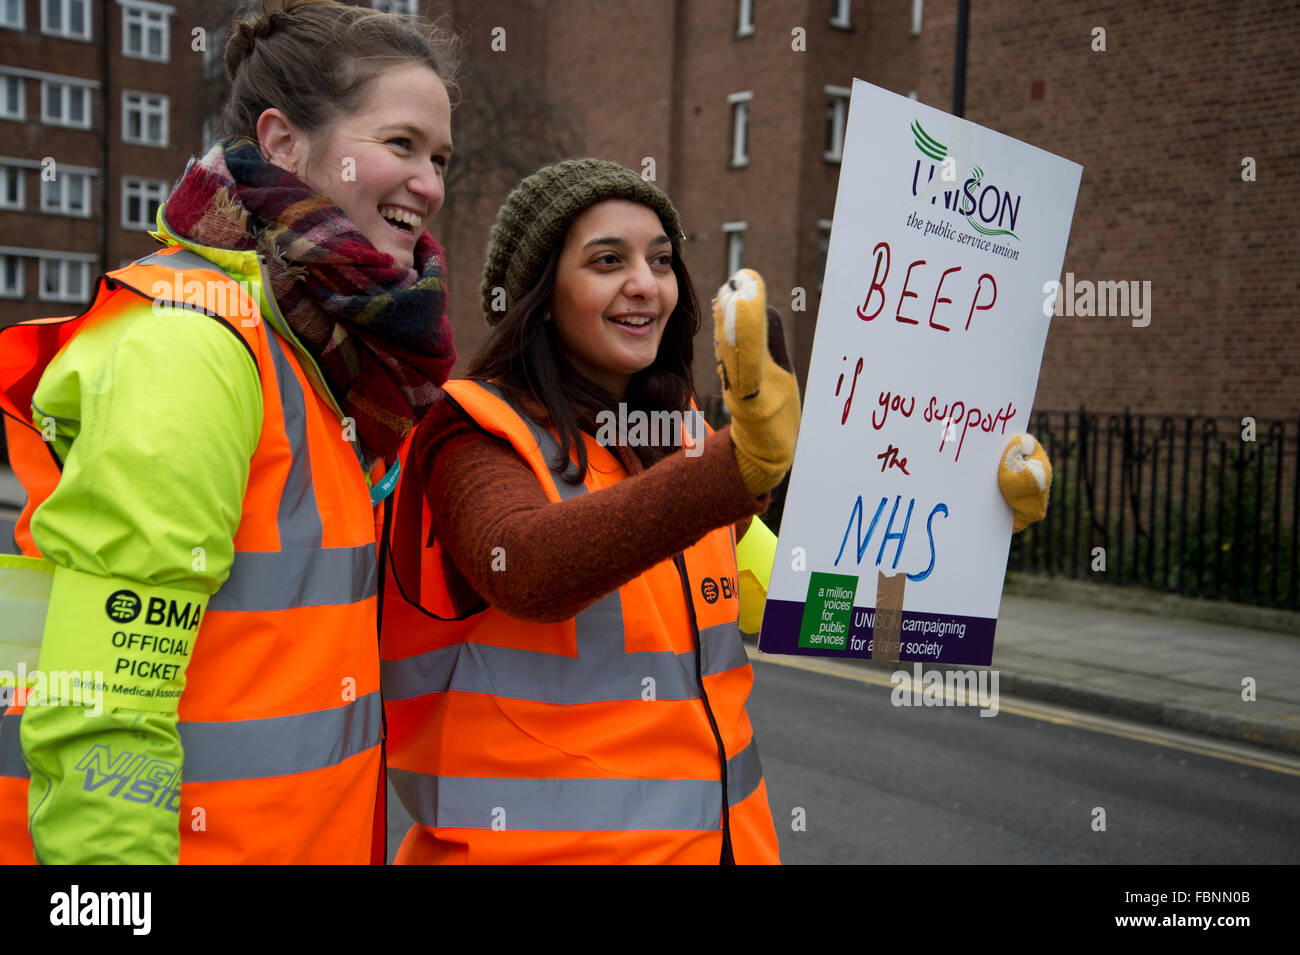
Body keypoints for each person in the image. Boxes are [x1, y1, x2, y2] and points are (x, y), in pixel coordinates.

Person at [379, 159, 1055, 865]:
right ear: (542, 295)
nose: (646, 283)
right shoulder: (472, 430)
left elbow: (822, 607)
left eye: (662, 260)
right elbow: (524, 566)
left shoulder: (679, 444)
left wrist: (976, 531)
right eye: (608, 260)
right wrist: (731, 468)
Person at [0, 0, 458, 864]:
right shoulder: (196, 344)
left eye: (440, 158)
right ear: (282, 143)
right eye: (401, 145)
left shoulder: (327, 358)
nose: (430, 184)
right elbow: (104, 701)